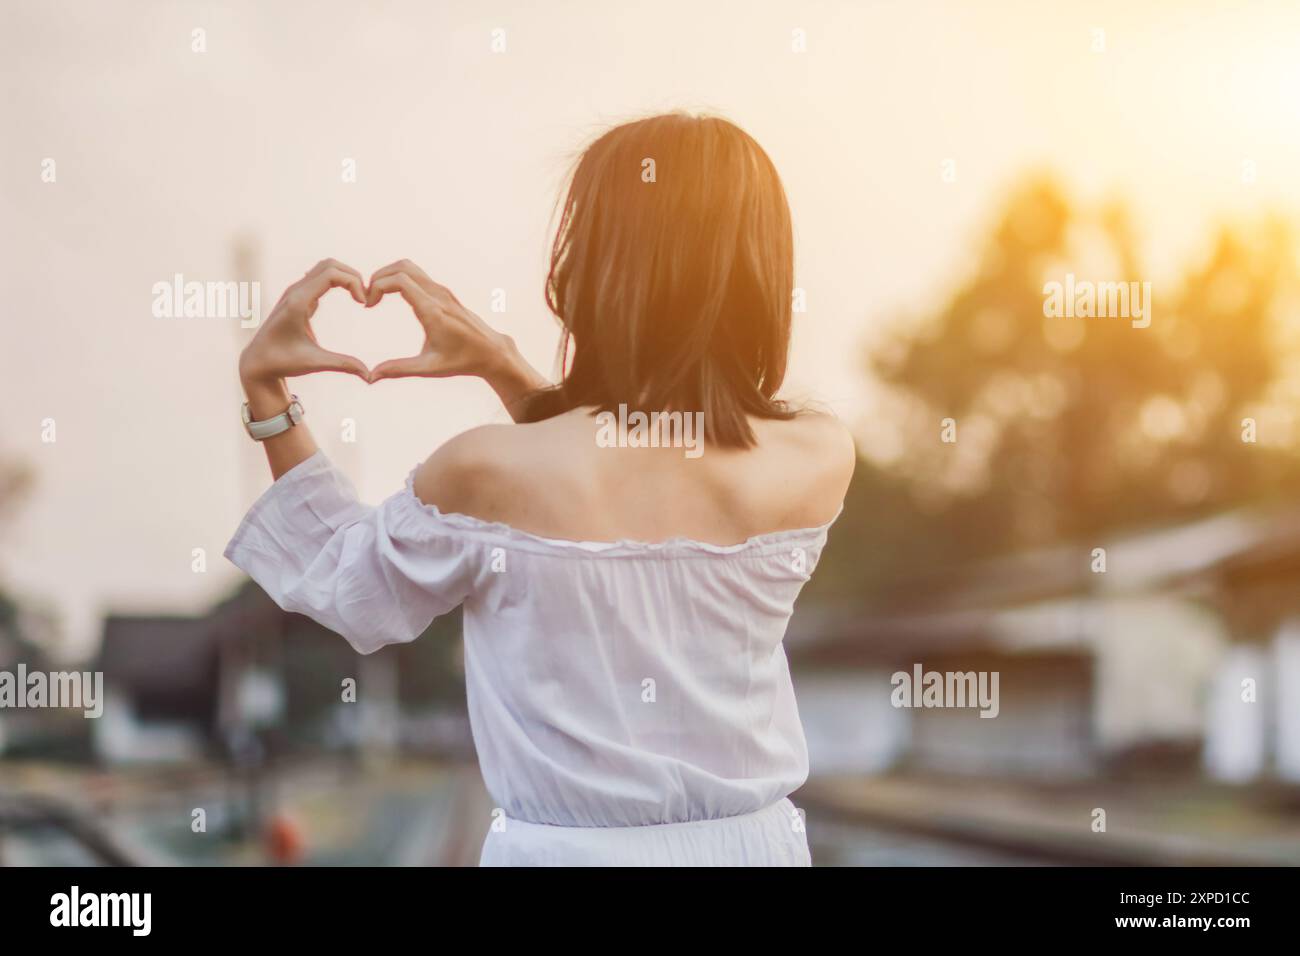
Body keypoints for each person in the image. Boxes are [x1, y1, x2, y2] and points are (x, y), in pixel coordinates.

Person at [225, 112, 855, 866]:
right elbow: (643, 462)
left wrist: (268, 392)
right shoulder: (815, 458)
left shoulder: (484, 473)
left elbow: (344, 582)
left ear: (590, 271)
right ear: (762, 269)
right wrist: (508, 369)